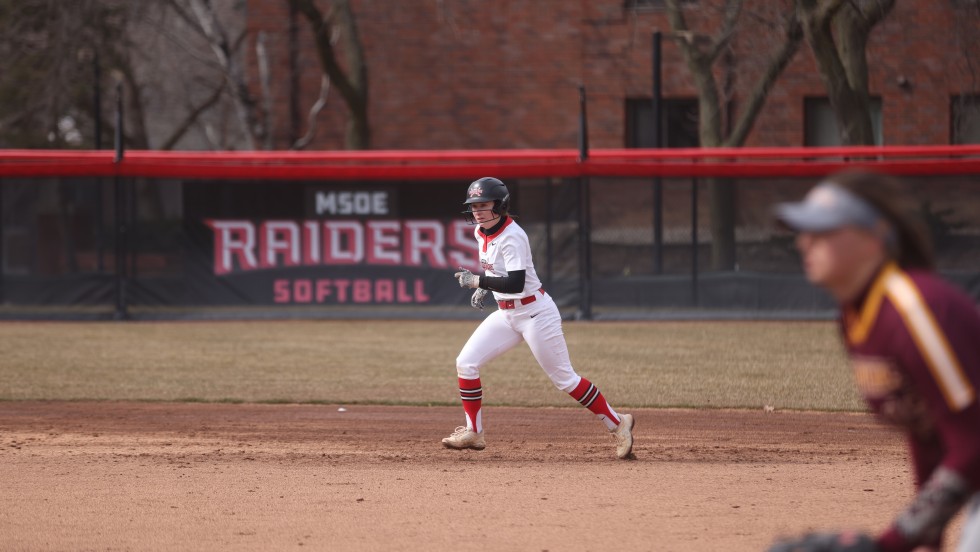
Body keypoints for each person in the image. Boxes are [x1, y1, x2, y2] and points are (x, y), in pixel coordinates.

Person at [768, 170, 980, 552]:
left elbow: (974, 442)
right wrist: (927, 541)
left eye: (822, 233)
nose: (804, 244)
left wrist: (890, 544)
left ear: (873, 239)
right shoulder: (855, 316)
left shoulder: (913, 308)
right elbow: (927, 431)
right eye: (803, 232)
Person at [442, 176, 635, 460]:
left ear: (501, 204)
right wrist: (486, 287)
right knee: (466, 363)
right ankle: (474, 431)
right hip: (507, 314)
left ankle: (618, 423)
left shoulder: (512, 235)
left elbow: (517, 283)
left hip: (535, 313)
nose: (478, 211)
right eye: (474, 205)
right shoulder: (481, 232)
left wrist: (479, 282)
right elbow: (499, 272)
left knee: (565, 380)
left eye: (484, 205)